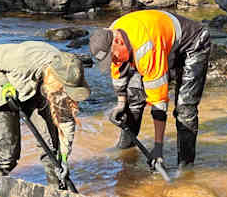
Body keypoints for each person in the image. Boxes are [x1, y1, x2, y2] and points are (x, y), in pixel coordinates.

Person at [89, 9, 211, 170]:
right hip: (161, 40)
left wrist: (158, 148)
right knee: (133, 100)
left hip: (193, 43)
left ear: (118, 41)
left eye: (114, 57)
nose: (114, 60)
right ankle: (126, 150)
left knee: (185, 109)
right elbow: (118, 72)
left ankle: (185, 168)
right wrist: (120, 104)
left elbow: (159, 102)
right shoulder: (111, 36)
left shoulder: (146, 49)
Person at [0, 42, 91, 187]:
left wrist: (65, 157)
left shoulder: (66, 70)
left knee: (52, 151)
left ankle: (57, 193)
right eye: (64, 88)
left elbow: (66, 121)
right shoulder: (21, 59)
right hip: (2, 92)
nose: (66, 92)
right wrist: (4, 84)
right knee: (6, 156)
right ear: (55, 79)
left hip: (36, 91)